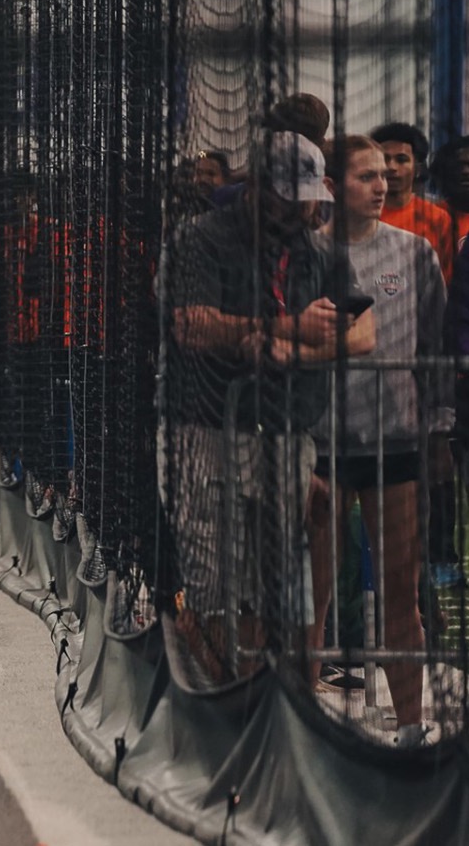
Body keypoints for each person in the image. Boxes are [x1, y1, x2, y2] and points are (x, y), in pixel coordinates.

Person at [161, 131, 371, 685]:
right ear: (254, 187)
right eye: (284, 196)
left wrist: (291, 347)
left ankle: (256, 696)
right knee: (218, 587)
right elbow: (190, 324)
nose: (296, 209)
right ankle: (224, 692)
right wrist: (281, 328)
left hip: (285, 434)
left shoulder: (316, 251)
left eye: (304, 197)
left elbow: (360, 333)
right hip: (207, 430)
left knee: (273, 585)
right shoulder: (204, 239)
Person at [308, 135, 447, 746]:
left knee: (400, 596)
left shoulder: (415, 254)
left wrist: (438, 425)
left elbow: (438, 349)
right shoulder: (305, 254)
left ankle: (413, 727)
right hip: (323, 448)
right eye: (365, 176)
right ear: (333, 187)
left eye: (383, 174)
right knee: (311, 598)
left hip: (395, 446)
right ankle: (300, 724)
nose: (381, 183)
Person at [370, 122, 454, 279]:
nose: (391, 167)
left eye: (401, 160)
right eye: (384, 158)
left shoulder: (437, 219)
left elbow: (444, 277)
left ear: (418, 168)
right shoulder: (361, 213)